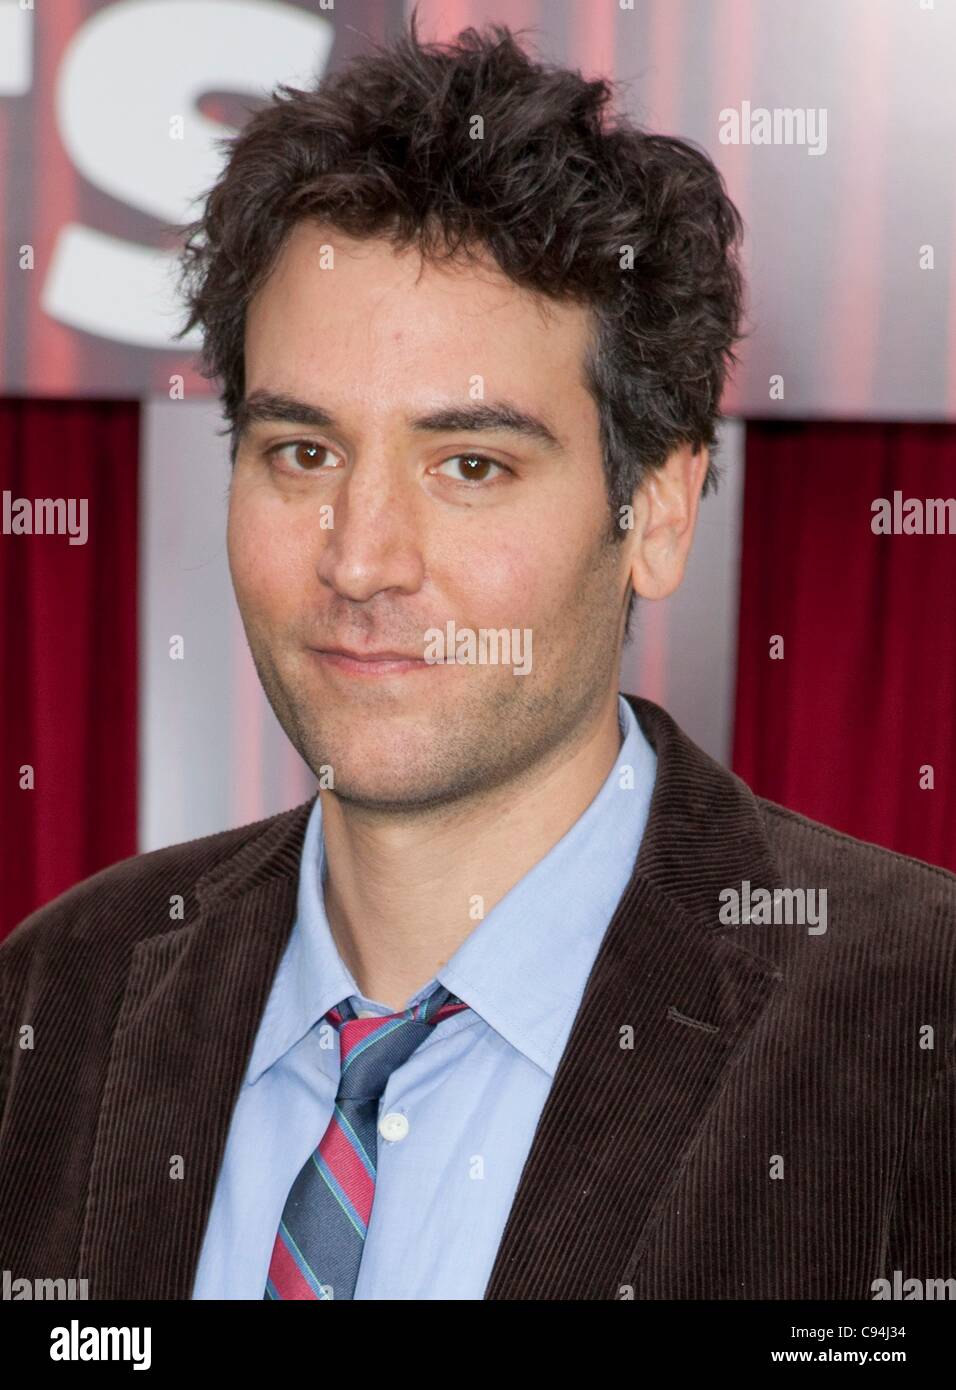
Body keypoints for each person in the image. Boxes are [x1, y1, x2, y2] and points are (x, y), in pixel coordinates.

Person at [1, 10, 953, 1302]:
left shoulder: (915, 1033)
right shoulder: (57, 1000)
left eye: (470, 465)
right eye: (302, 452)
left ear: (657, 514)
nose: (362, 559)